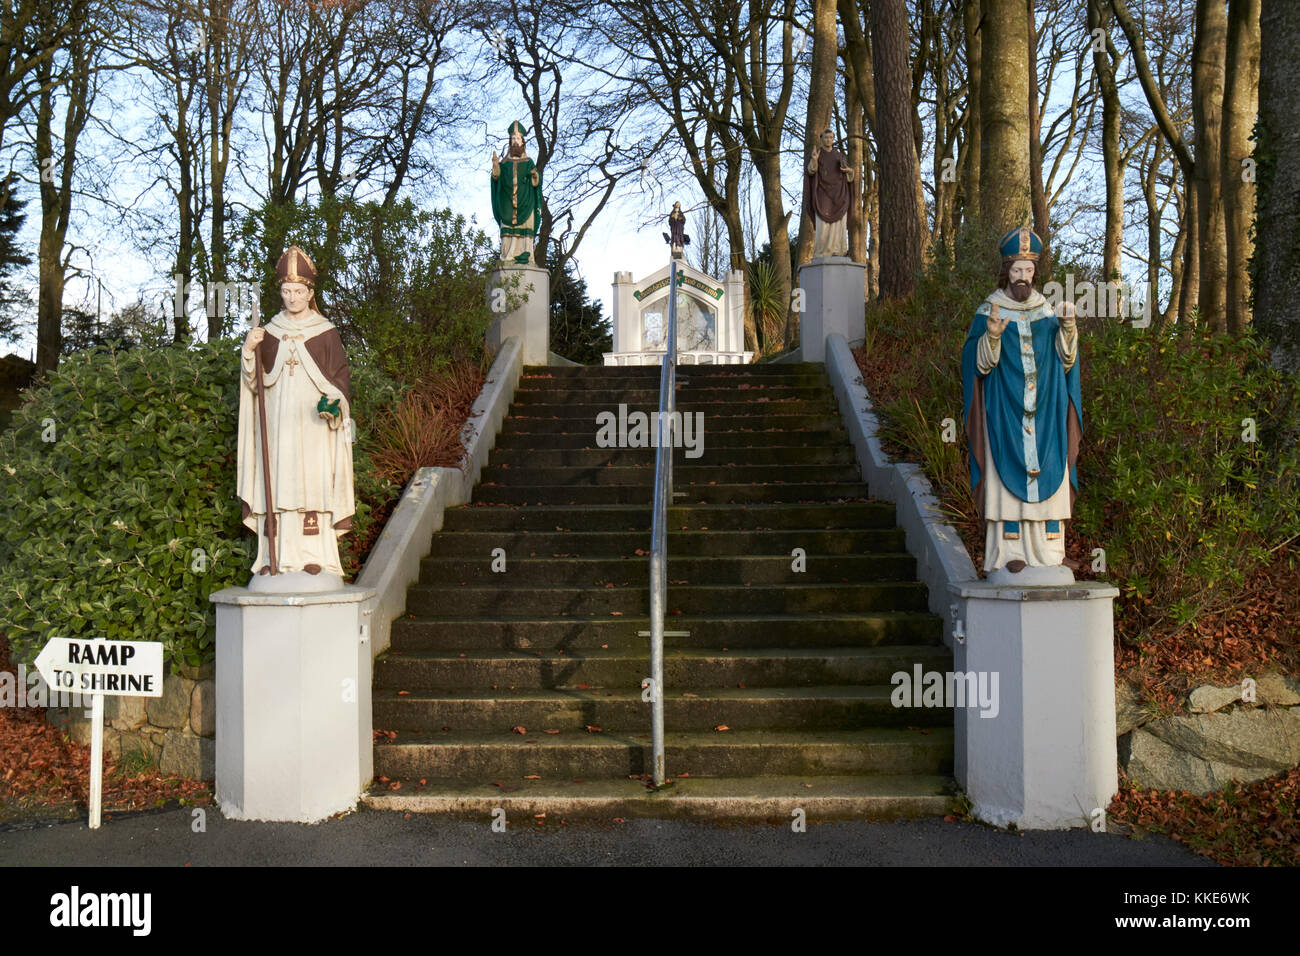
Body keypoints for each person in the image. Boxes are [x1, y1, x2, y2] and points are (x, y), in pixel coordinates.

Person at [960, 227, 1082, 575]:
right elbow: (976, 365)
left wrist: (1069, 328)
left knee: (1051, 469)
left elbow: (1066, 361)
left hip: (1046, 411)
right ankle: (1006, 553)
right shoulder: (990, 309)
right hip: (1004, 411)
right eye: (1017, 270)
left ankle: (1051, 552)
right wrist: (992, 338)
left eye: (1028, 271)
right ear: (1006, 271)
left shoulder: (1047, 310)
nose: (1023, 278)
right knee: (1005, 471)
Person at [238, 245, 355, 581]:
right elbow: (254, 385)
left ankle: (315, 555)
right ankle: (271, 556)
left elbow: (341, 381)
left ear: (310, 292)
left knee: (311, 482)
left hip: (313, 428)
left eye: (298, 291)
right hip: (276, 423)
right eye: (286, 291)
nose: (291, 298)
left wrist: (334, 405)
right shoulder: (269, 333)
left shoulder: (325, 332)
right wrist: (248, 351)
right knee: (276, 479)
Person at [491, 121, 543, 265]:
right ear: (510, 141)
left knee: (526, 229)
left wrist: (534, 176)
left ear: (522, 142)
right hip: (507, 202)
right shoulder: (504, 163)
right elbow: (496, 179)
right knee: (508, 230)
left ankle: (526, 256)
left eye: (518, 139)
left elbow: (537, 181)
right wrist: (496, 167)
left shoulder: (528, 162)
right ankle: (508, 256)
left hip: (526, 202)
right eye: (513, 139)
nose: (515, 142)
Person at [803, 127, 854, 258]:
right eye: (826, 138)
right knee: (823, 224)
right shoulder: (817, 154)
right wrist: (814, 160)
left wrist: (850, 172)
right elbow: (810, 172)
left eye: (831, 137)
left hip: (839, 194)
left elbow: (848, 174)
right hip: (822, 194)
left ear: (833, 139)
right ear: (821, 139)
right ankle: (823, 252)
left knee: (839, 225)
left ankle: (839, 250)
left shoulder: (839, 156)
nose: (828, 140)